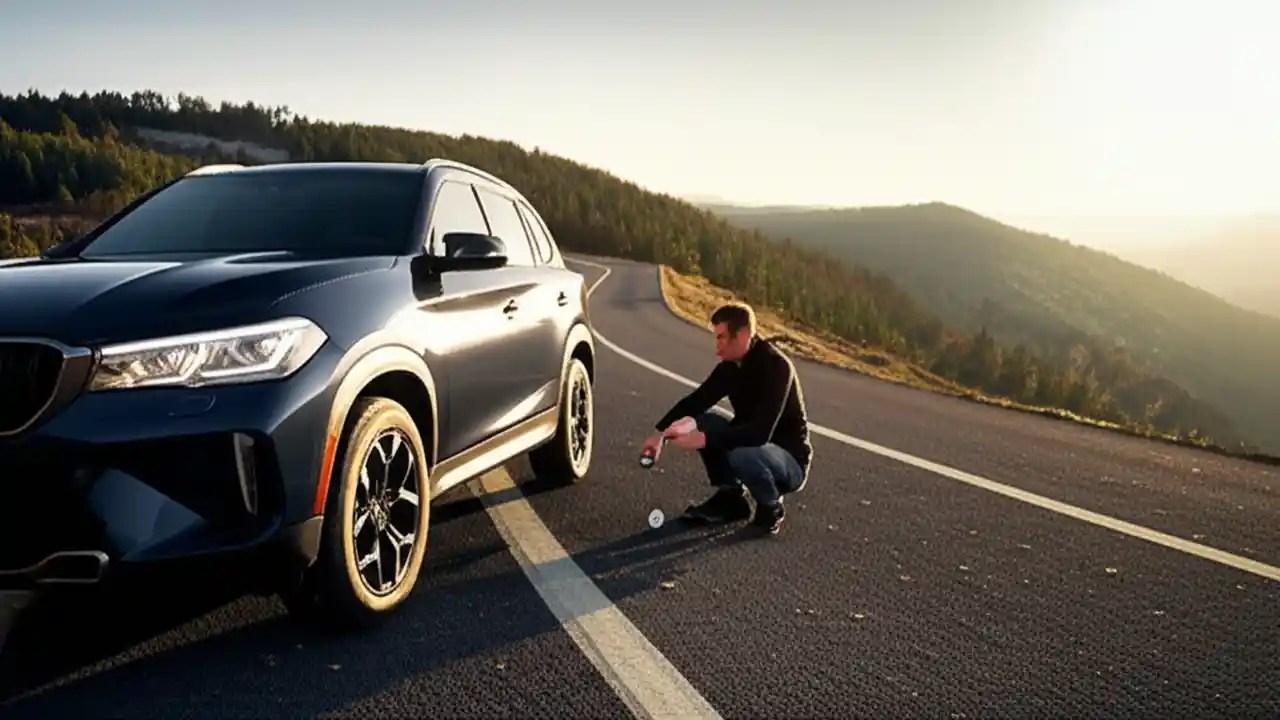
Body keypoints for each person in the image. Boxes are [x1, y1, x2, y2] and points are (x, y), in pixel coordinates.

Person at [640, 301, 812, 535]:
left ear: (742, 335)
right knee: (705, 420)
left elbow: (760, 433)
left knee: (740, 452)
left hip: (788, 461)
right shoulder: (730, 368)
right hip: (753, 448)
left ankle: (771, 508)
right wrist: (659, 434)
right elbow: (695, 401)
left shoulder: (777, 367)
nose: (717, 346)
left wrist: (704, 440)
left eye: (721, 337)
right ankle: (731, 499)